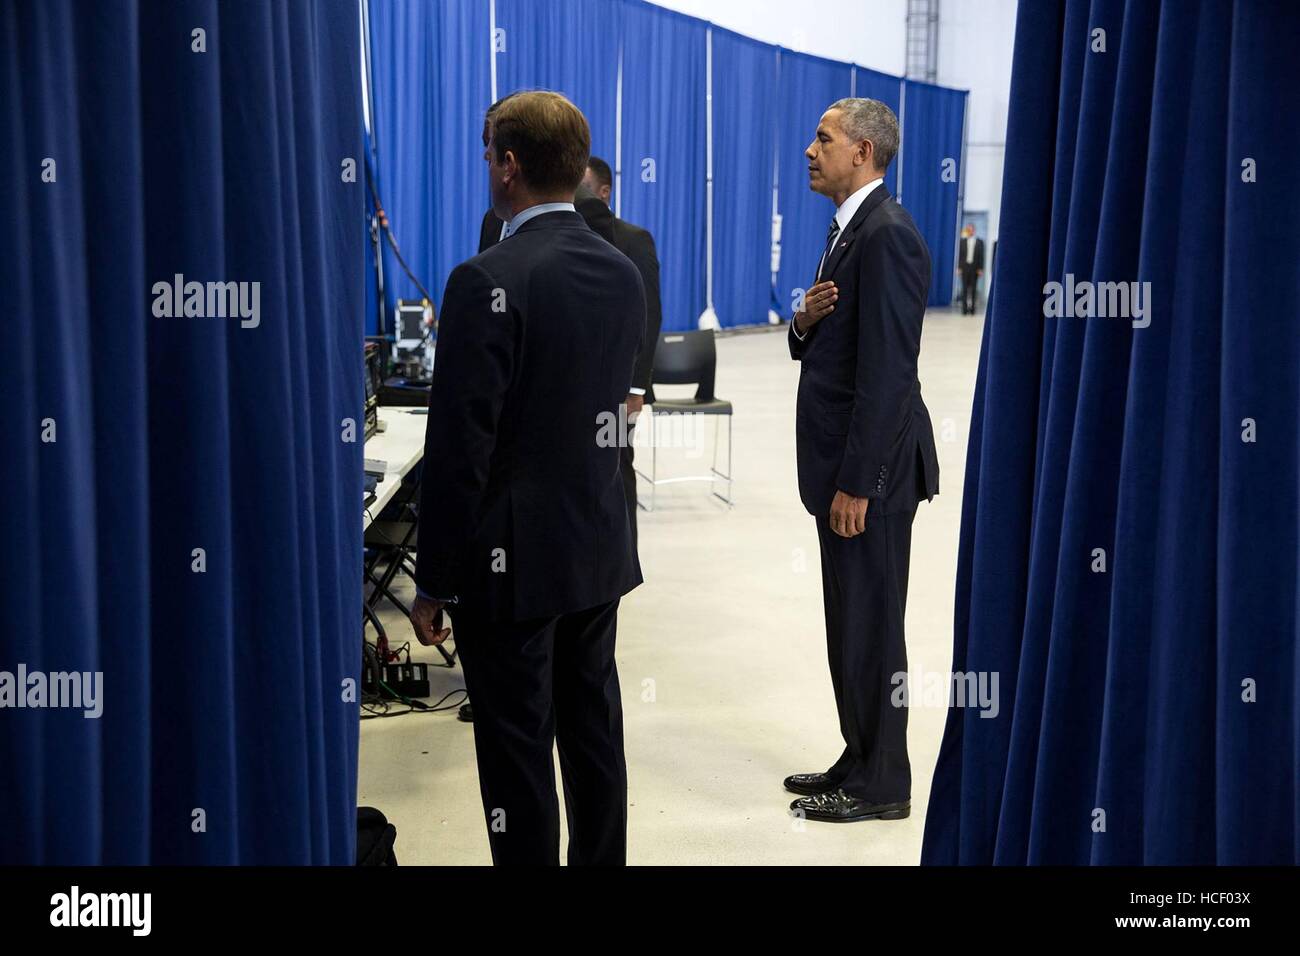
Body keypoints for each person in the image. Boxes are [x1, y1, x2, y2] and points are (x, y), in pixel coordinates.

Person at [409, 90, 645, 865]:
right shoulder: (621, 271)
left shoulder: (484, 279)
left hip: (510, 567)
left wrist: (434, 579)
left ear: (508, 167)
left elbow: (459, 449)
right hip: (597, 546)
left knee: (516, 760)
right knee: (592, 733)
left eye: (488, 157)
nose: (487, 170)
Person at [785, 97, 939, 823]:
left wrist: (860, 484)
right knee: (849, 623)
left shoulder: (888, 235)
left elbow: (888, 375)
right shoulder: (848, 232)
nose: (810, 151)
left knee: (874, 627)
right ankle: (858, 753)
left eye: (824, 139)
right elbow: (836, 343)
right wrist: (801, 321)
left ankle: (886, 784)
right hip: (842, 472)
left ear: (864, 153)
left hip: (867, 478)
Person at [581, 155, 662, 549]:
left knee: (617, 466)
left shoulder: (633, 239)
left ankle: (622, 552)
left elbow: (650, 317)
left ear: (604, 192)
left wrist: (635, 388)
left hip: (619, 389)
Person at [957, 223, 984, 314]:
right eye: (968, 229)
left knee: (973, 289)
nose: (970, 231)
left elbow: (981, 256)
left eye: (971, 229)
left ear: (974, 230)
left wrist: (980, 268)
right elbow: (960, 255)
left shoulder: (979, 242)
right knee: (964, 288)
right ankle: (964, 309)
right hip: (965, 267)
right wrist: (959, 268)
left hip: (974, 268)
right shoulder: (962, 241)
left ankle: (972, 309)